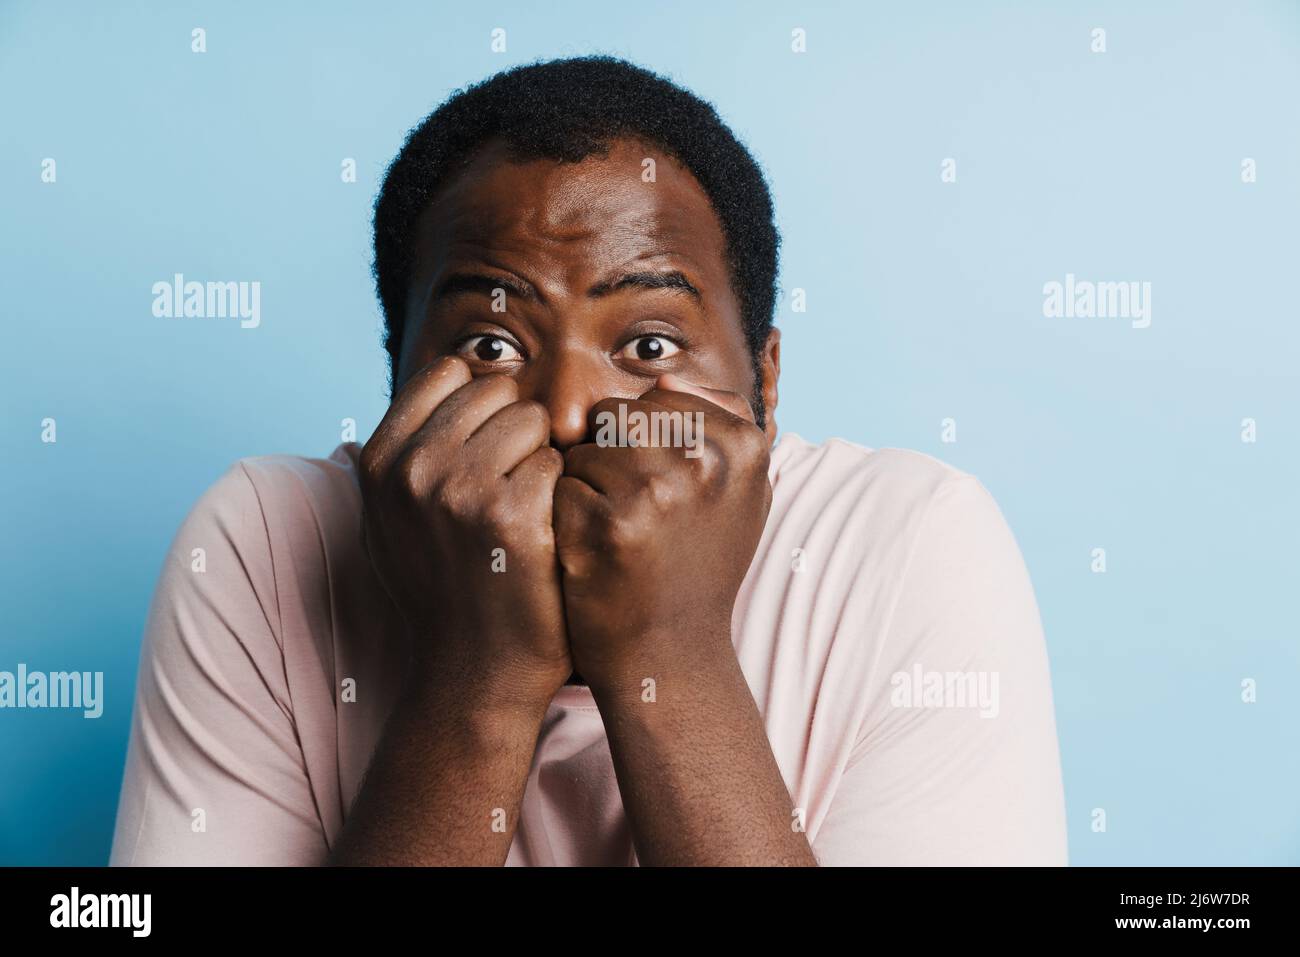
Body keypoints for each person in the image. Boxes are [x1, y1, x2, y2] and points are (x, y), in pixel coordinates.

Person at [108, 55, 1067, 866]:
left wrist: (672, 655)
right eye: (490, 345)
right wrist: (477, 673)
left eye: (649, 346)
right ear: (397, 380)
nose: (568, 414)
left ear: (764, 389)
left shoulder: (909, 545)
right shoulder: (263, 544)